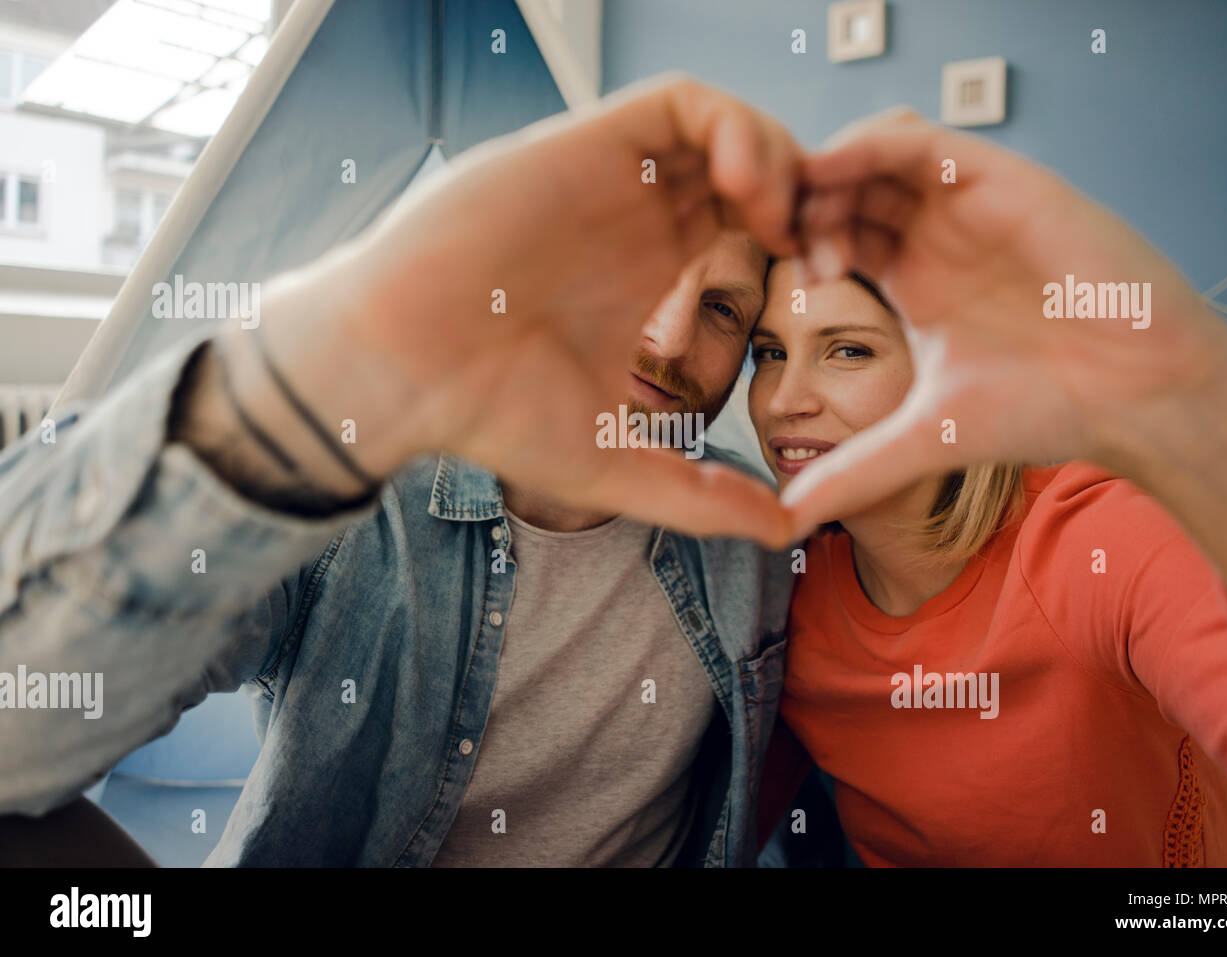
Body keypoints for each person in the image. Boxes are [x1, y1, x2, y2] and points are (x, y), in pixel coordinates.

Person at [0, 76, 806, 866]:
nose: (668, 339)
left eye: (722, 308)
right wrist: (319, 357)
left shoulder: (748, 536)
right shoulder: (357, 505)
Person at [751, 109, 1227, 866]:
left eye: (847, 350)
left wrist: (1199, 384)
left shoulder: (1098, 540)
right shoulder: (782, 593)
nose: (784, 399)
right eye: (769, 352)